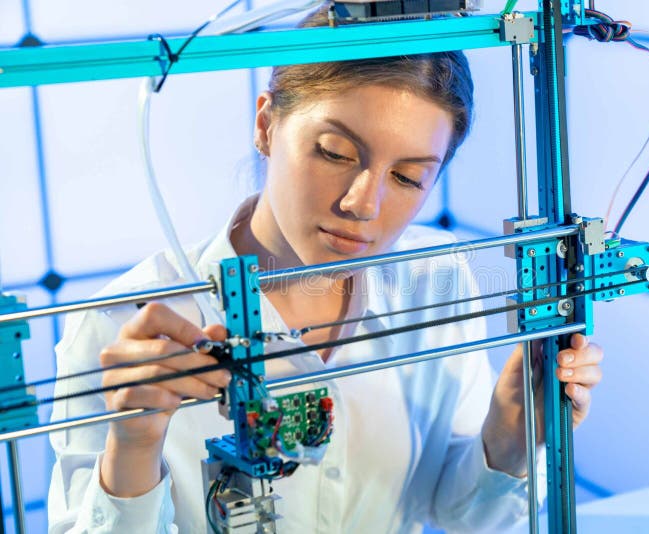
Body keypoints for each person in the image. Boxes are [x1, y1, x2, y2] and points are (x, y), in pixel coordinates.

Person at [48, 4, 603, 533]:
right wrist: (134, 449)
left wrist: (511, 429)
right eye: (335, 153)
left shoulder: (439, 279)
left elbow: (462, 513)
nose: (364, 204)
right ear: (266, 124)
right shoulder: (123, 323)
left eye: (408, 178)